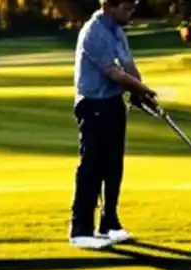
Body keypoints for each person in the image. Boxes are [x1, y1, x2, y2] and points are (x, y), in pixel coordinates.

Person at [69, 0, 159, 249]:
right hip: (92, 104)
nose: (131, 13)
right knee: (92, 166)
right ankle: (80, 229)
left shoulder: (117, 31)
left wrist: (143, 96)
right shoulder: (93, 32)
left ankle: (109, 223)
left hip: (112, 103)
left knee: (113, 167)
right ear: (109, 6)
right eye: (126, 8)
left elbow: (129, 67)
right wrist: (144, 90)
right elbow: (114, 73)